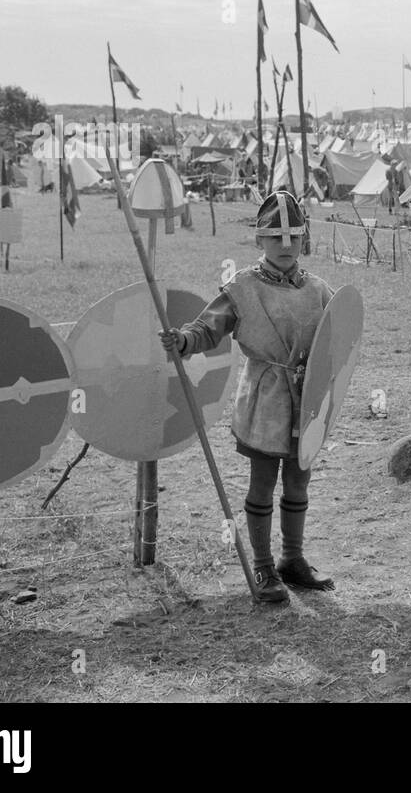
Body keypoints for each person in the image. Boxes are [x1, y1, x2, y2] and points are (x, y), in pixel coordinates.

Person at [159, 190, 336, 604]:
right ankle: (263, 565)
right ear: (260, 239)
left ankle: (293, 559)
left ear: (305, 237)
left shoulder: (320, 289)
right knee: (263, 482)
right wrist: (184, 340)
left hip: (306, 399)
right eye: (277, 237)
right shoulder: (242, 287)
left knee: (298, 480)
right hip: (265, 397)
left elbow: (336, 342)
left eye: (295, 236)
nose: (287, 245)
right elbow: (208, 328)